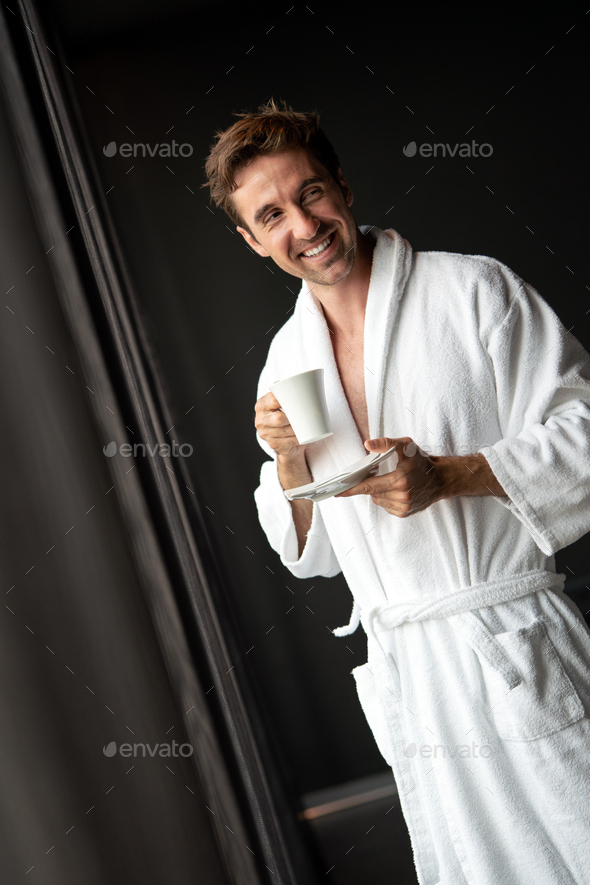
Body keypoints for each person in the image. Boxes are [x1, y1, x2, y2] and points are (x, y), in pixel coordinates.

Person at [203, 98, 590, 885]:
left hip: (515, 643)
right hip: (414, 676)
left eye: (311, 192)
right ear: (252, 241)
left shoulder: (474, 291)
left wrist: (450, 475)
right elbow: (308, 553)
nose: (303, 225)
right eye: (272, 215)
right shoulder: (288, 362)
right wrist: (289, 465)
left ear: (342, 185)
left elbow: (583, 434)